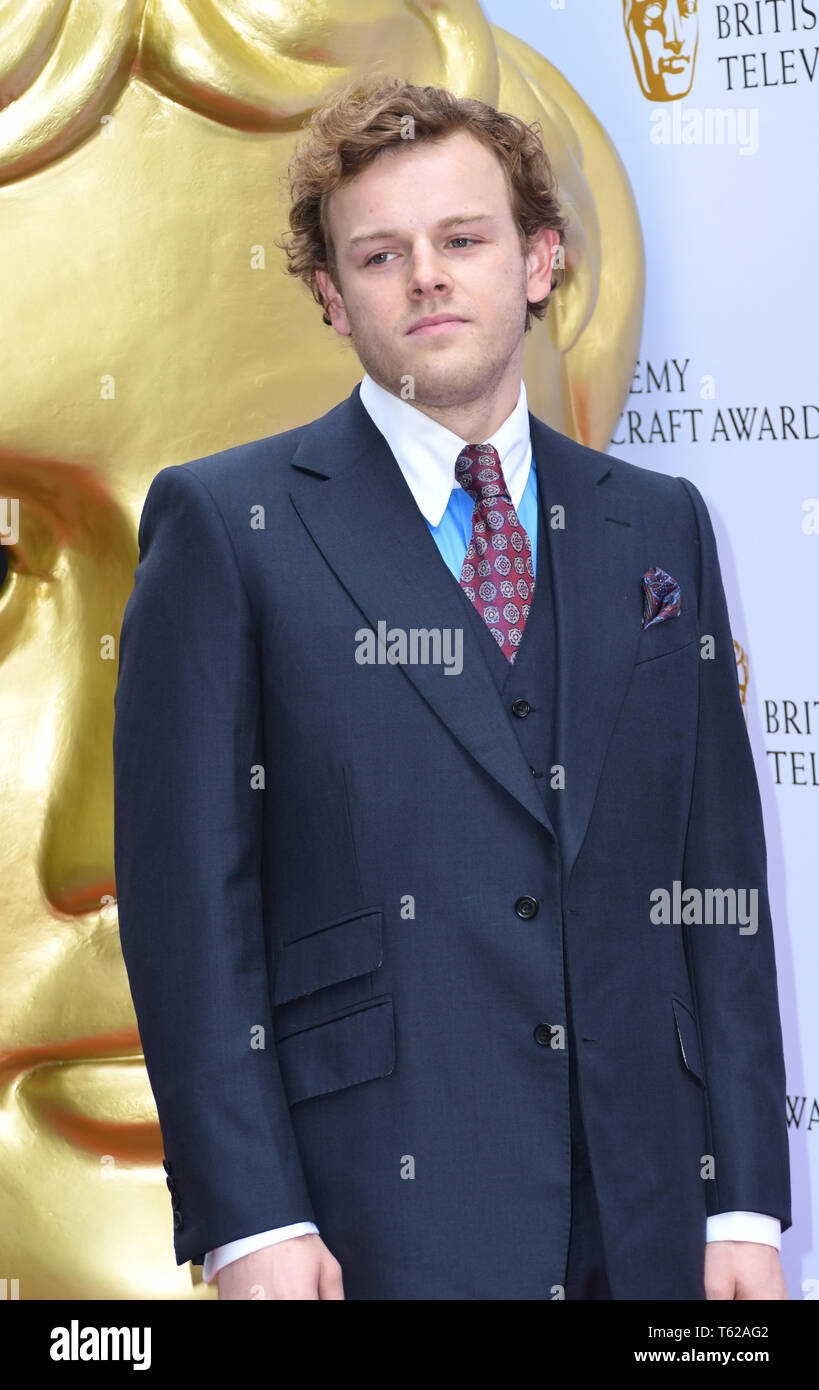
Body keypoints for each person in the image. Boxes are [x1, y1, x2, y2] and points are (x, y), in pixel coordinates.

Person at [112, 77, 791, 1300]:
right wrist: (251, 1219)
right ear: (331, 296)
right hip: (373, 1219)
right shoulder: (229, 526)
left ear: (539, 262)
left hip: (648, 1220)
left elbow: (718, 877)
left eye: (462, 239)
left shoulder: (660, 523)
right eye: (380, 253)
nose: (426, 276)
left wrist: (741, 1195)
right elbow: (187, 914)